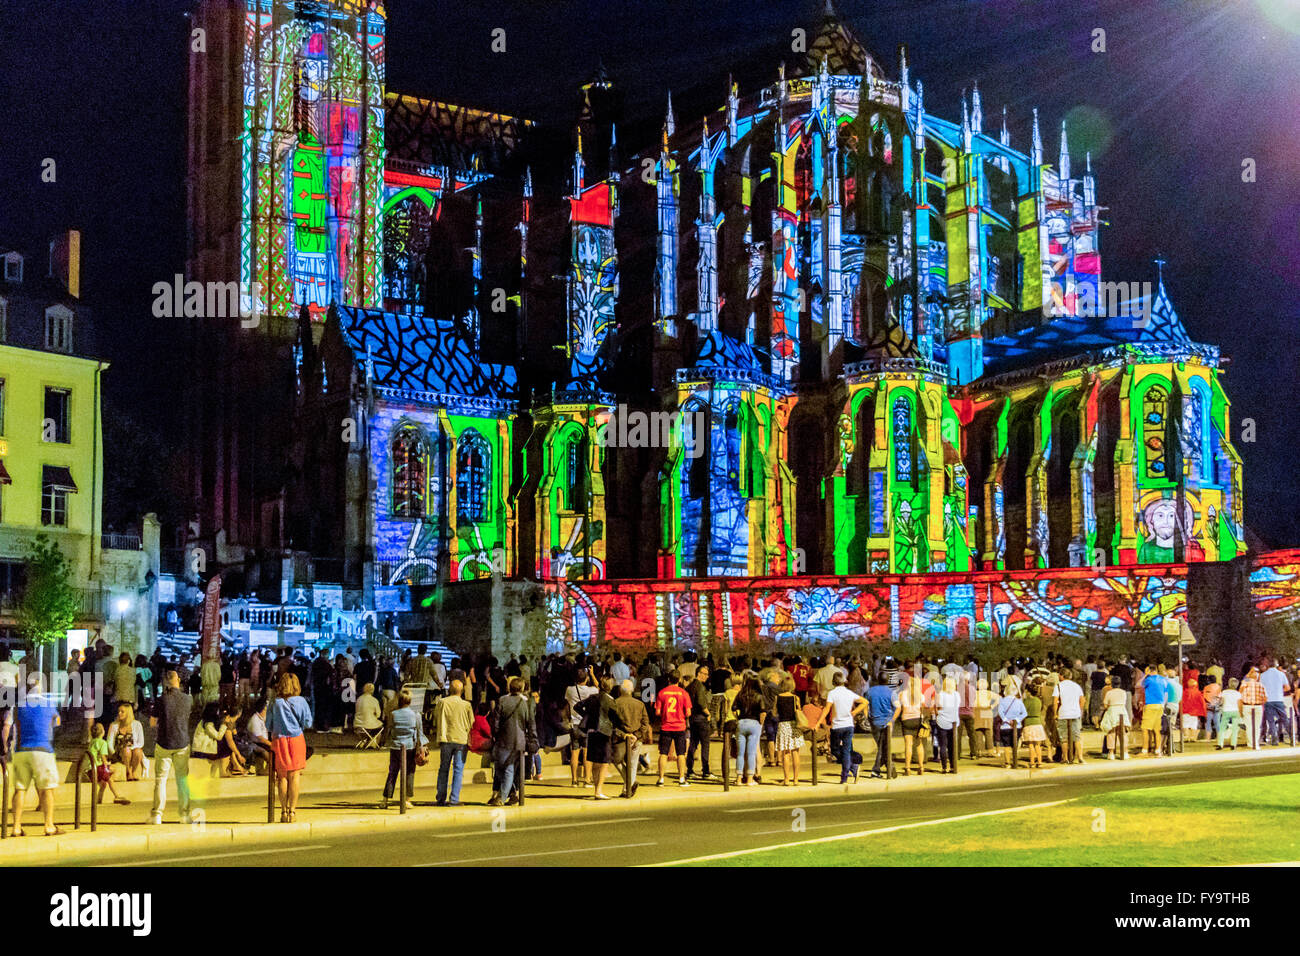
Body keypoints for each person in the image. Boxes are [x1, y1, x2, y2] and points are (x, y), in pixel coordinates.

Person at [10, 673, 63, 836]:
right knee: (47, 789)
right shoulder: (49, 704)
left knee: (20, 789)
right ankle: (49, 825)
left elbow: (15, 724)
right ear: (41, 687)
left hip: (21, 751)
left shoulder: (18, 706)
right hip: (43, 751)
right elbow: (57, 723)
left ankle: (16, 827)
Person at [268, 671, 313, 822]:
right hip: (296, 739)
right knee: (294, 776)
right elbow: (308, 723)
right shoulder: (301, 701)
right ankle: (292, 812)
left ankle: (283, 811)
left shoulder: (275, 702)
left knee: (282, 777)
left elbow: (268, 724)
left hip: (279, 740)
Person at [149, 670, 192, 825]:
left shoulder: (161, 700)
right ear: (178, 680)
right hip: (182, 742)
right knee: (182, 780)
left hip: (164, 742)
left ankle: (157, 815)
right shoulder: (188, 699)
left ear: (165, 682)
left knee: (161, 780)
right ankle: (184, 815)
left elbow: (152, 723)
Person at [488, 677, 535, 807]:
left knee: (500, 767)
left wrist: (496, 734)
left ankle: (503, 796)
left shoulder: (502, 700)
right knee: (509, 769)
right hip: (519, 741)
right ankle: (507, 795)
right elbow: (530, 724)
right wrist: (532, 739)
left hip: (503, 739)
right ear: (522, 688)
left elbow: (496, 722)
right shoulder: (526, 703)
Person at [382, 689, 428, 810]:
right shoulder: (416, 715)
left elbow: (389, 729)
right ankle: (407, 799)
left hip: (395, 746)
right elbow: (419, 733)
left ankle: (385, 799)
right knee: (409, 773)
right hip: (410, 747)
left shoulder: (393, 714)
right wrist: (421, 747)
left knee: (392, 772)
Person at [819, 672, 867, 784]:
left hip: (837, 726)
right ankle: (845, 776)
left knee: (835, 749)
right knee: (846, 751)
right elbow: (865, 702)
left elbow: (827, 709)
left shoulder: (832, 693)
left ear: (834, 682)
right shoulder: (849, 693)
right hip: (849, 725)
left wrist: (818, 722)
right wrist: (854, 712)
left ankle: (852, 769)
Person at [432, 679, 473, 806]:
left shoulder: (442, 702)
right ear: (462, 691)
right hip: (461, 739)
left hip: (446, 738)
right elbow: (471, 722)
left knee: (443, 768)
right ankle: (454, 799)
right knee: (458, 769)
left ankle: (440, 797)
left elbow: (435, 717)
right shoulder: (466, 705)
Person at [610, 678, 652, 798]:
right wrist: (637, 735)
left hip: (620, 739)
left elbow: (612, 723)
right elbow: (645, 723)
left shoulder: (615, 703)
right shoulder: (640, 704)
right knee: (633, 764)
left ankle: (628, 787)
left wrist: (623, 734)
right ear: (632, 690)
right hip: (636, 739)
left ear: (620, 690)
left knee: (616, 760)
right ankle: (628, 787)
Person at [654, 669, 693, 787]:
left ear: (668, 679)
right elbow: (688, 712)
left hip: (666, 727)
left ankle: (661, 779)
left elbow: (657, 712)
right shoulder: (684, 693)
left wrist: (665, 715)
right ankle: (681, 778)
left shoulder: (662, 693)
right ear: (679, 679)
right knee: (681, 753)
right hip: (680, 727)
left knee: (663, 753)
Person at [732, 676, 766, 786]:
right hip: (754, 723)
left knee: (740, 753)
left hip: (742, 723)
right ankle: (750, 779)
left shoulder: (740, 694)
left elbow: (733, 708)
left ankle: (739, 778)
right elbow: (763, 712)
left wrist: (738, 719)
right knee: (751, 753)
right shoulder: (759, 696)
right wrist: (760, 723)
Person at [87, 722, 131, 805]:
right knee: (111, 775)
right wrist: (106, 763)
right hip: (98, 767)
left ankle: (98, 800)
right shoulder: (102, 742)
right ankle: (117, 796)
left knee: (103, 784)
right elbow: (103, 756)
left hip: (90, 769)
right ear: (103, 732)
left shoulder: (92, 742)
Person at [773, 674, 805, 786]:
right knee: (795, 752)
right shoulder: (796, 698)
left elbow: (774, 712)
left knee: (785, 753)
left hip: (783, 725)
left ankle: (786, 779)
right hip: (794, 725)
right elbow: (799, 711)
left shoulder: (778, 697)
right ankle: (796, 780)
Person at [685, 664, 714, 781]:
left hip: (692, 719)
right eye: (705, 674)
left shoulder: (689, 686)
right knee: (705, 745)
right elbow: (702, 703)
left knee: (693, 744)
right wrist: (708, 714)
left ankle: (690, 770)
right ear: (699, 674)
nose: (706, 676)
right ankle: (706, 771)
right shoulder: (700, 686)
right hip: (701, 719)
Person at [867, 675, 900, 778]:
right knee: (884, 747)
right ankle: (880, 768)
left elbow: (865, 705)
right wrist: (892, 720)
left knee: (881, 746)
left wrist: (867, 717)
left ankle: (884, 767)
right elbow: (898, 708)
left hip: (874, 722)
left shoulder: (870, 691)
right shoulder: (892, 692)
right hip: (887, 723)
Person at [1053, 667, 1087, 764]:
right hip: (1075, 713)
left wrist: (1055, 713)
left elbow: (1055, 701)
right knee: (1077, 737)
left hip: (1063, 713)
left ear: (1062, 676)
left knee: (1064, 738)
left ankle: (1065, 758)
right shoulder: (1076, 686)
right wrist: (1078, 709)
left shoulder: (1058, 686)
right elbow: (1082, 700)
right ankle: (1080, 757)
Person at [106, 703, 146, 780]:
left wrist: (131, 748)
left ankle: (133, 772)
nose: (119, 713)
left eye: (122, 711)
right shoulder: (114, 725)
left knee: (138, 751)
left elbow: (141, 742)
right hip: (119, 752)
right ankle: (128, 772)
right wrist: (113, 753)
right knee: (126, 750)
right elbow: (109, 743)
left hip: (133, 751)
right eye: (119, 711)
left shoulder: (137, 724)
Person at [897, 674, 927, 776]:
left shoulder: (902, 694)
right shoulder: (921, 695)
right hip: (917, 720)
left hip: (906, 720)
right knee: (919, 744)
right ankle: (921, 767)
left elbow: (899, 707)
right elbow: (923, 708)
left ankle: (907, 768)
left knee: (908, 745)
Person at [1259, 659, 1291, 745]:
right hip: (1279, 699)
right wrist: (1280, 691)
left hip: (1268, 700)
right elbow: (1288, 688)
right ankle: (1292, 737)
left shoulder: (1262, 675)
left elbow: (1260, 688)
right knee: (1285, 719)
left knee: (1271, 721)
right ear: (1276, 665)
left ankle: (1274, 740)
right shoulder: (1281, 674)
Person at [996, 683, 1027, 768]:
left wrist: (1006, 720)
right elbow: (1024, 713)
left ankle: (1007, 763)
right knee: (1015, 745)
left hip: (1005, 726)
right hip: (1017, 726)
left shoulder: (1002, 701)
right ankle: (1015, 761)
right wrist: (1016, 720)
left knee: (1006, 745)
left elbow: (1000, 712)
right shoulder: (1018, 701)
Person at [1099, 676, 1130, 759]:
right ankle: (1125, 752)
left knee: (1111, 733)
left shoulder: (1109, 693)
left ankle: (1111, 753)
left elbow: (1105, 704)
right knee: (1123, 733)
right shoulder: (1123, 692)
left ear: (1112, 684)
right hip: (1122, 710)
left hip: (1112, 711)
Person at [934, 676, 960, 773]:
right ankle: (953, 766)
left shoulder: (940, 695)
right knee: (952, 745)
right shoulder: (956, 695)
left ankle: (944, 766)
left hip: (942, 721)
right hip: (954, 722)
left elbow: (937, 707)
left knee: (943, 745)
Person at [1140, 665, 1167, 756]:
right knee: (1157, 729)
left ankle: (1145, 750)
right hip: (1160, 706)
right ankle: (1157, 750)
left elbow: (1138, 684)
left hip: (1150, 705)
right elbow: (1166, 693)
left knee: (1145, 728)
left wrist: (1145, 675)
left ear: (1149, 671)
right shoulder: (1163, 679)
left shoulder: (1149, 679)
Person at [1021, 684, 1047, 767]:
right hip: (1038, 723)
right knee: (1038, 745)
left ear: (1028, 692)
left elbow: (1023, 712)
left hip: (1029, 723)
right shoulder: (1038, 700)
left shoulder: (1026, 701)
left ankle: (1032, 762)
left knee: (1031, 744)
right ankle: (1039, 762)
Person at [1216, 678, 1243, 749]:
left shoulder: (1224, 692)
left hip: (1226, 711)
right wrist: (1241, 713)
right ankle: (1233, 744)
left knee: (1222, 728)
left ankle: (1220, 744)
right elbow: (1239, 704)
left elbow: (1220, 701)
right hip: (1235, 711)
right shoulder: (1238, 694)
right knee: (1235, 729)